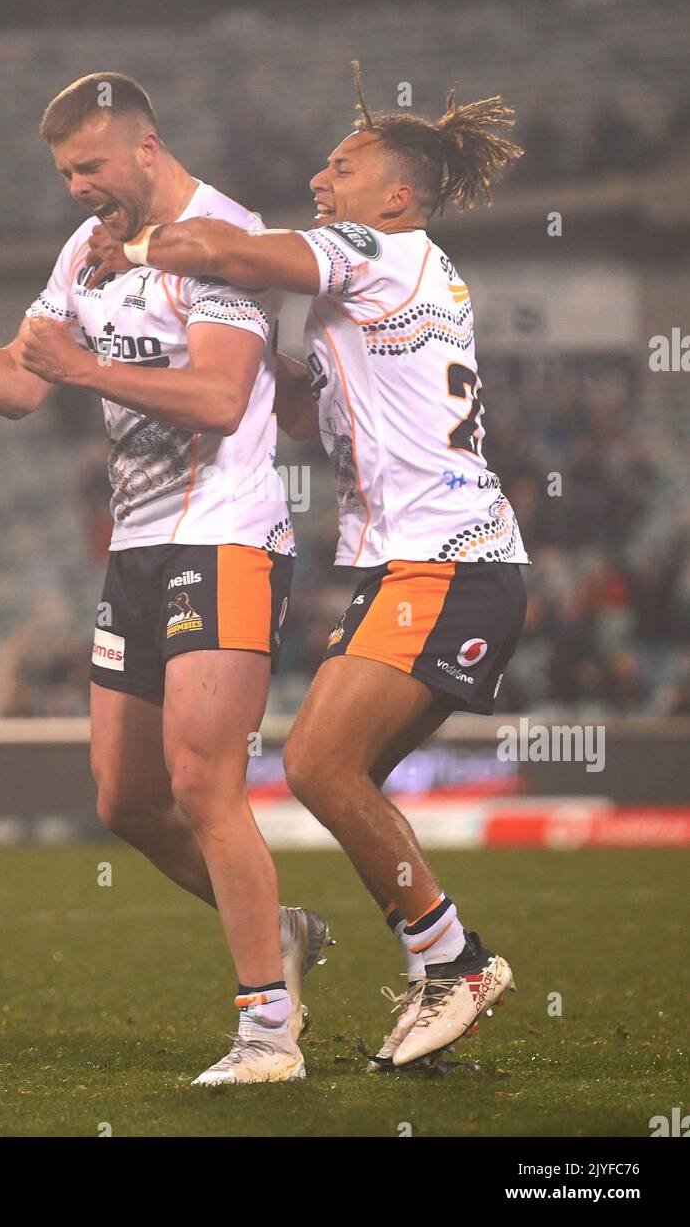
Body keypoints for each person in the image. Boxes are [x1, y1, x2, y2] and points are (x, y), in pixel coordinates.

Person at [0, 73, 330, 1087]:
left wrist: (85, 369)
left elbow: (220, 396)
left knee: (203, 781)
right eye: (65, 172)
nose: (78, 186)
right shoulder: (86, 253)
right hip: (136, 549)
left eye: (89, 166)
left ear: (144, 147)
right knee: (124, 798)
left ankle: (269, 1037)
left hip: (228, 536)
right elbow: (21, 381)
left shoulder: (220, 236)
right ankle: (282, 927)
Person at [85, 69, 530, 1070]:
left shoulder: (372, 248)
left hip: (443, 565)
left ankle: (453, 962)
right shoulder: (400, 279)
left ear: (398, 195)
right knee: (339, 772)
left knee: (320, 765)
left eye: (347, 163)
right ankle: (440, 968)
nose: (323, 175)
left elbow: (236, 247)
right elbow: (298, 405)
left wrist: (147, 243)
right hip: (419, 567)